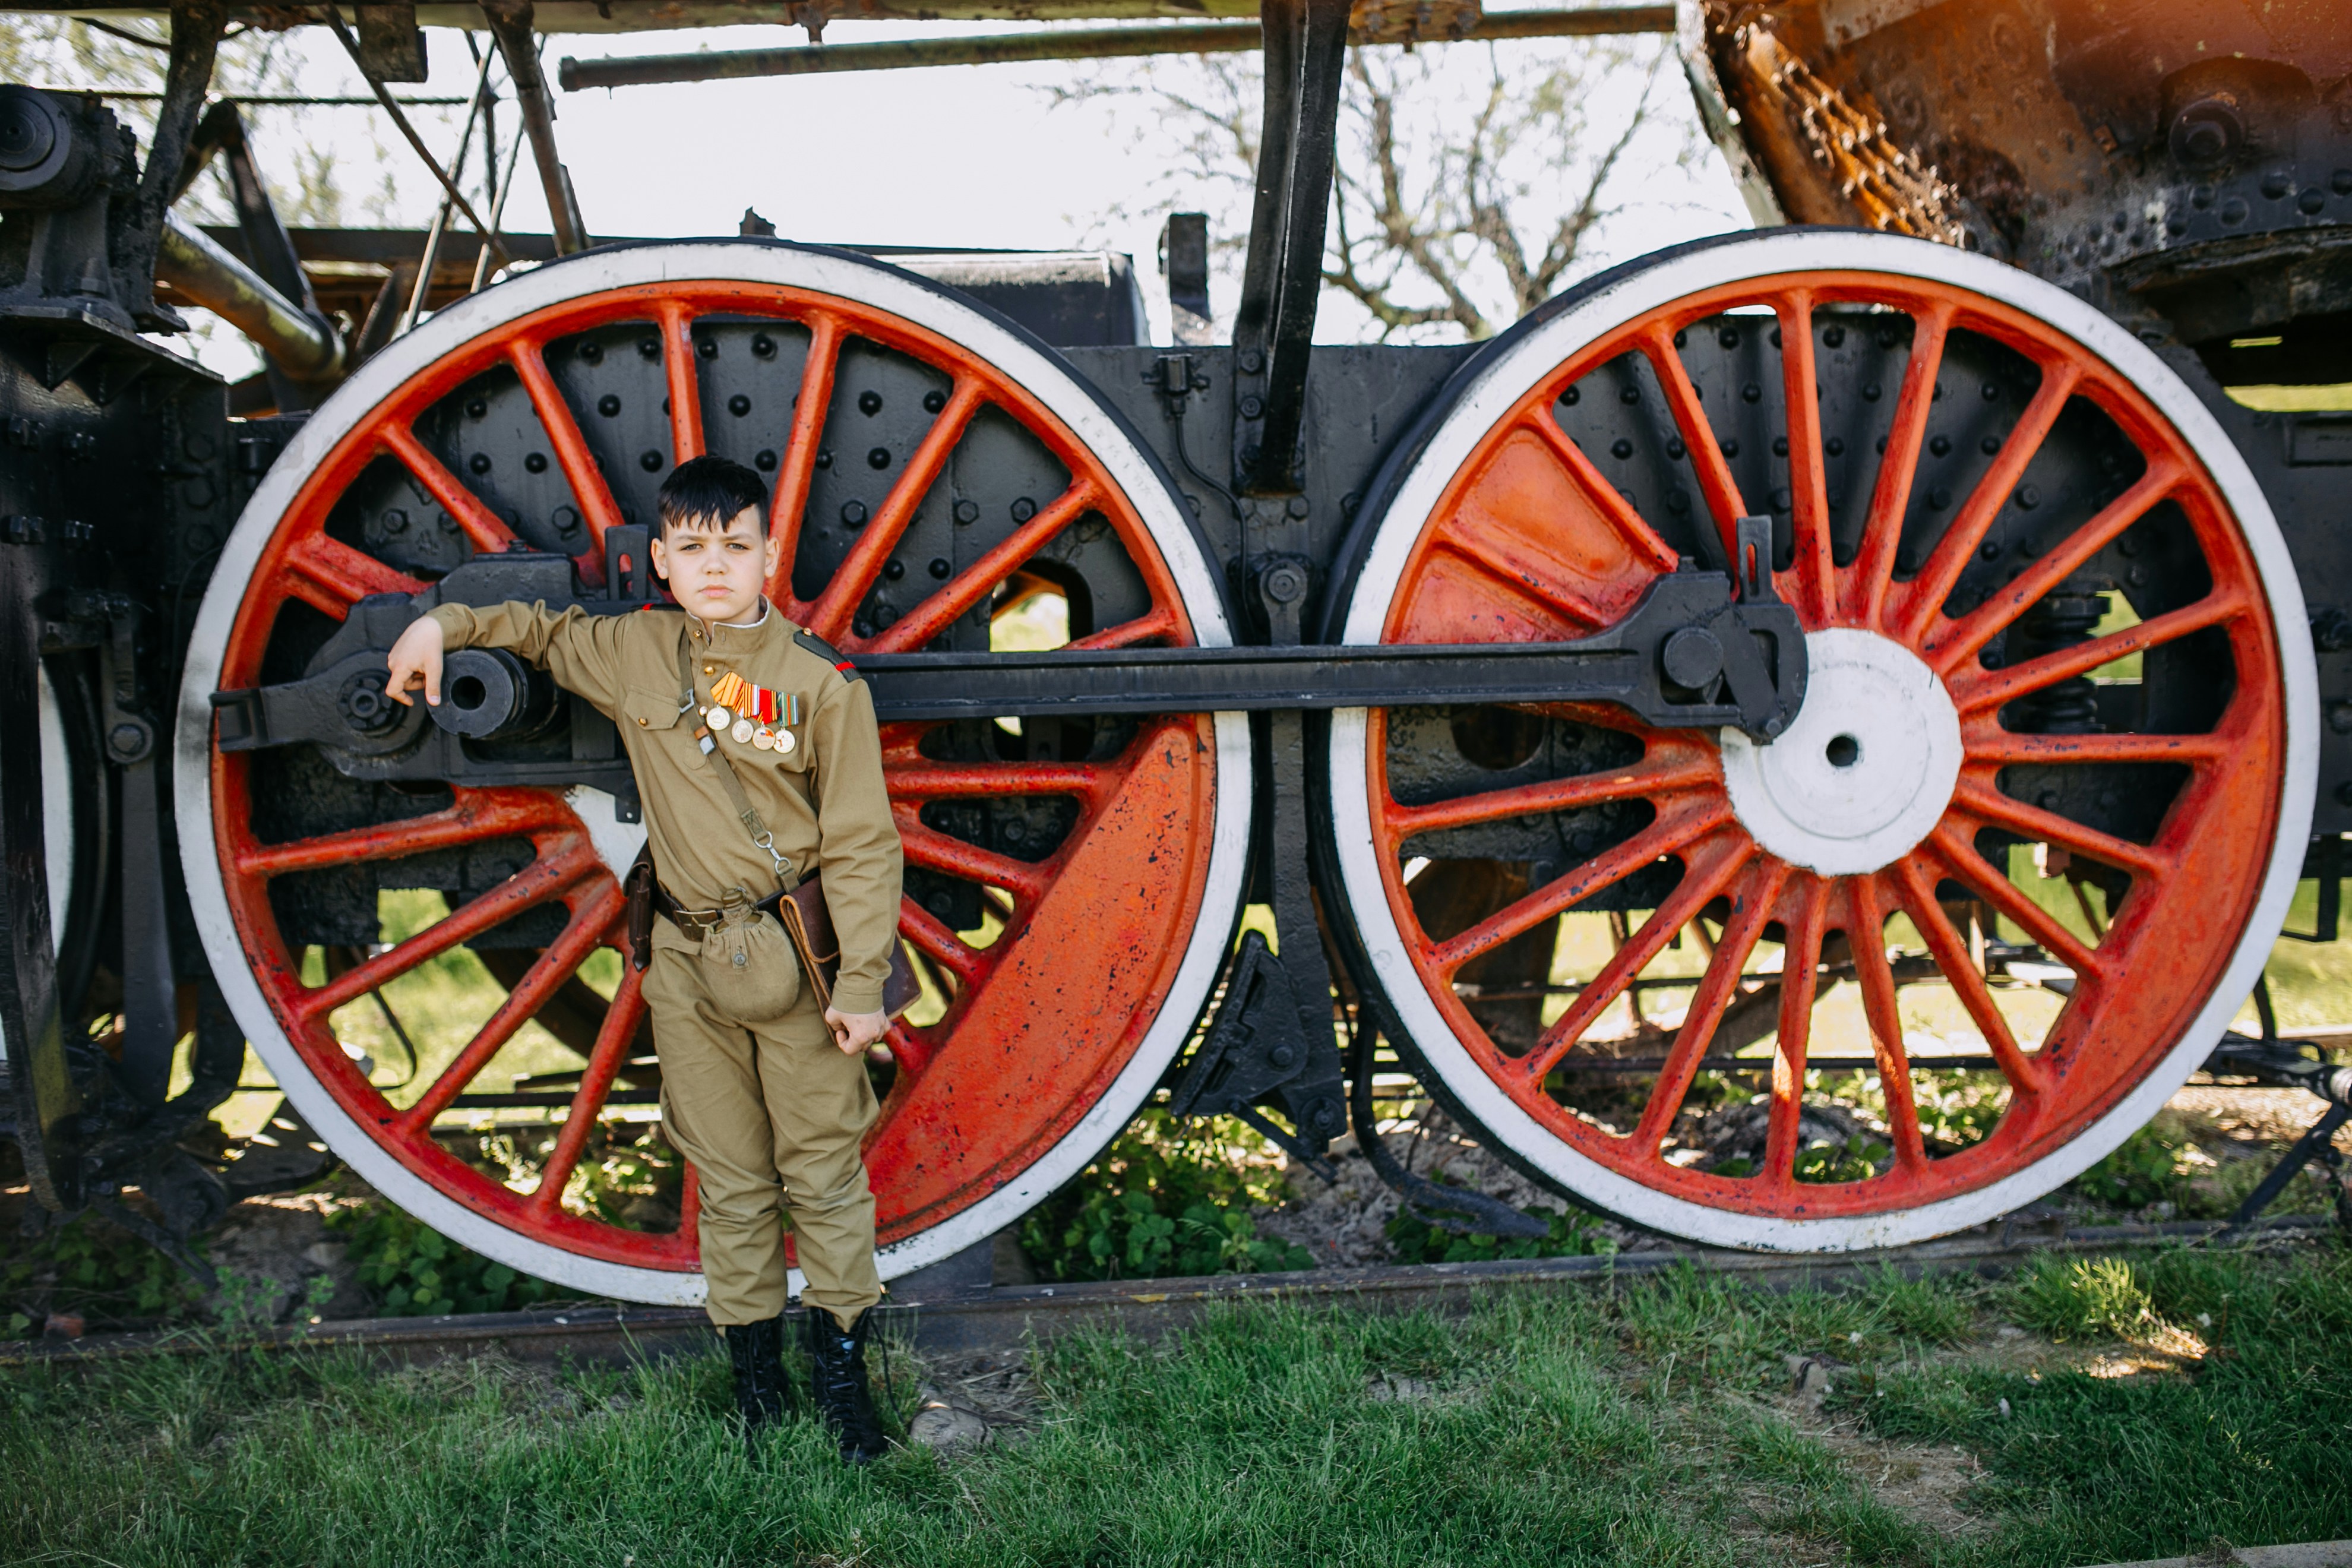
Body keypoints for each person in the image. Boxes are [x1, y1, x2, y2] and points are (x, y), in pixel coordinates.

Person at [381, 454, 902, 1463]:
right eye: (695, 550)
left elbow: (862, 843)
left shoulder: (822, 687)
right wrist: (437, 625)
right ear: (662, 560)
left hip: (796, 964)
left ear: (768, 556)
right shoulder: (635, 653)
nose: (716, 568)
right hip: (686, 960)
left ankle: (844, 1384)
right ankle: (758, 1389)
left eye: (736, 549)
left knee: (826, 1177)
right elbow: (533, 628)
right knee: (732, 1181)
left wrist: (865, 985)